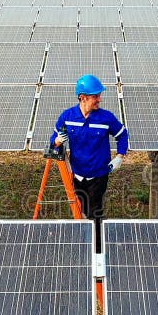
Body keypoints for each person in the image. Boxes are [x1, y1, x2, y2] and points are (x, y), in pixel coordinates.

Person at [50, 74, 128, 250]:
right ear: (82, 97)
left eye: (99, 95)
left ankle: (98, 248)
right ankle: (86, 240)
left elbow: (122, 135)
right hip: (77, 175)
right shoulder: (68, 117)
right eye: (95, 96)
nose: (99, 99)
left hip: (98, 176)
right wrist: (56, 141)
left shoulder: (105, 118)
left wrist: (120, 156)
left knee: (95, 212)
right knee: (82, 208)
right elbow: (53, 139)